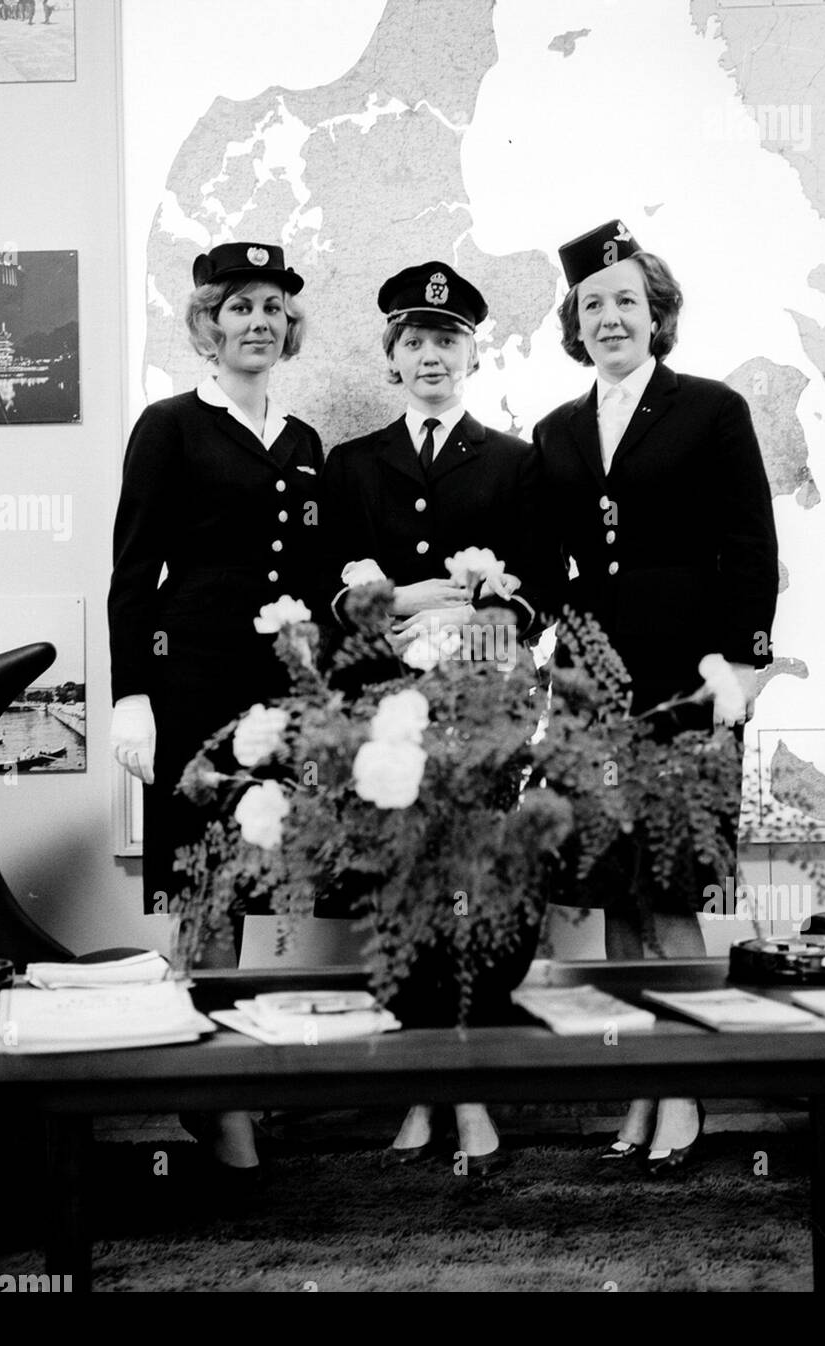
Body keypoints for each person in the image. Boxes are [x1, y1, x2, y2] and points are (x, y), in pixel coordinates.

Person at [533, 219, 778, 1174]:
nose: (609, 317)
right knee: (614, 895)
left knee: (670, 889)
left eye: (626, 300)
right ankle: (643, 1084)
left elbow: (751, 545)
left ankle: (685, 1093)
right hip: (588, 689)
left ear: (657, 312)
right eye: (592, 305)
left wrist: (746, 665)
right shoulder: (555, 431)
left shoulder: (712, 411)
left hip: (687, 686)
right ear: (575, 324)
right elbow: (547, 569)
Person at [321, 261, 561, 1174]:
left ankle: (473, 1096)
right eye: (415, 341)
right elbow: (330, 591)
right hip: (385, 718)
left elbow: (537, 589)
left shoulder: (516, 461)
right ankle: (424, 1089)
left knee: (475, 897)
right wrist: (413, 596)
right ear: (393, 356)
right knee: (403, 898)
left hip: (484, 714)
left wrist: (480, 615)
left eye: (448, 341)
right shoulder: (352, 466)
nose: (432, 355)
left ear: (473, 353)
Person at [108, 240, 325, 1180]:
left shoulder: (304, 442)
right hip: (189, 683)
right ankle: (218, 1101)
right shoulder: (169, 426)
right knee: (205, 891)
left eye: (273, 307)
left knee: (254, 885)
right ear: (207, 323)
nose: (258, 322)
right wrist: (129, 696)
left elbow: (312, 578)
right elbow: (131, 573)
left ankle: (224, 1083)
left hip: (273, 693)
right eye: (240, 306)